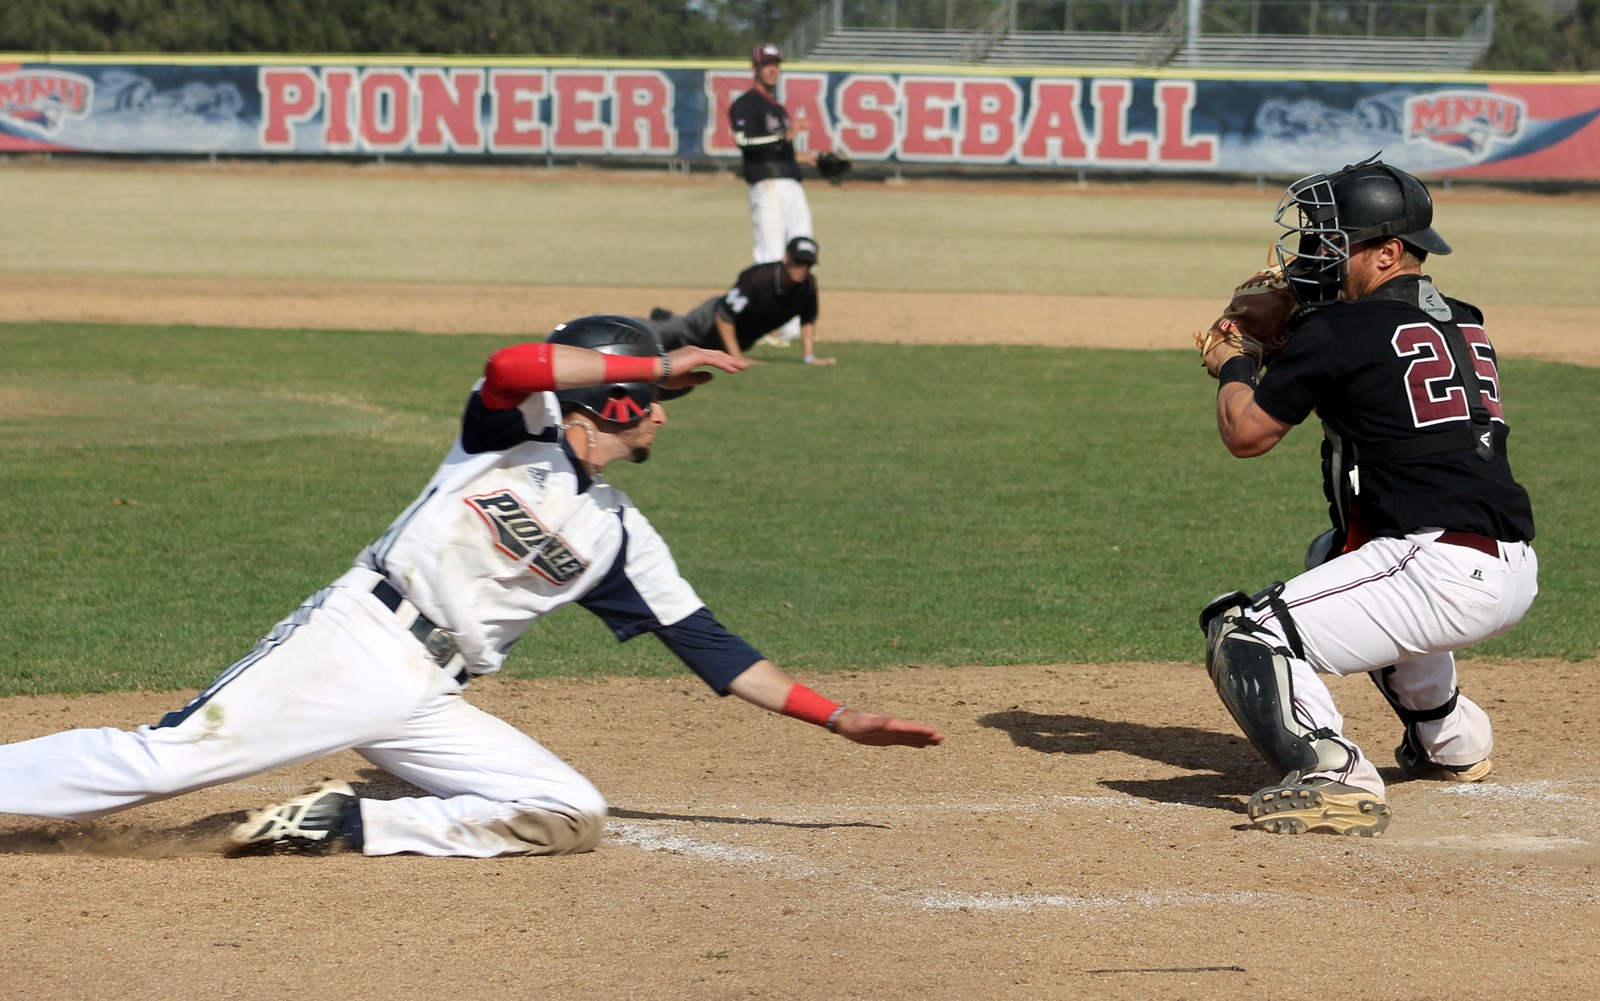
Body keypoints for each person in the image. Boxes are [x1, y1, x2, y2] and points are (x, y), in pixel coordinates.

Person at [0, 317, 943, 857]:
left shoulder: (619, 535)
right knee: (160, 764)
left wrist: (839, 718)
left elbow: (712, 647)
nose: (661, 413)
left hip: (427, 696)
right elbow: (511, 367)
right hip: (356, 641)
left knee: (571, 812)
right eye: (651, 400)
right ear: (610, 398)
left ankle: (345, 821)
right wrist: (659, 361)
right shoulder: (506, 438)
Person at [1195, 156, 1537, 837]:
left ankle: (1335, 774)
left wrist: (1237, 358)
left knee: (1246, 635)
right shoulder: (1464, 319)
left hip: (1437, 572)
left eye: (1334, 241)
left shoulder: (1337, 332)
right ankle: (1450, 737)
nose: (1315, 255)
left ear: (1387, 252)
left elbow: (1246, 433)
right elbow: (1368, 371)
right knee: (1335, 551)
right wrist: (1297, 333)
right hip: (1508, 566)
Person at [729, 41, 815, 348]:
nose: (772, 69)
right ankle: (764, 324)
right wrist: (784, 136)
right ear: (754, 68)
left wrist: (810, 158)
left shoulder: (777, 107)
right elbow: (744, 140)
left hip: (791, 183)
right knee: (770, 252)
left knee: (802, 248)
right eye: (766, 64)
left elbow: (781, 149)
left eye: (776, 63)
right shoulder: (745, 104)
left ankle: (789, 324)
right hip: (766, 185)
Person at [648, 236, 834, 366]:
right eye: (798, 261)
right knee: (667, 335)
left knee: (684, 353)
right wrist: (737, 358)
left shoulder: (808, 286)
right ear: (786, 258)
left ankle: (666, 318)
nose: (803, 268)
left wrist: (809, 358)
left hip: (737, 338)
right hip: (708, 321)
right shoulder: (758, 278)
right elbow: (724, 317)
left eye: (808, 264)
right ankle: (634, 328)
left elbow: (807, 321)